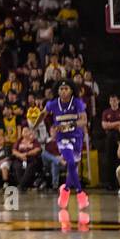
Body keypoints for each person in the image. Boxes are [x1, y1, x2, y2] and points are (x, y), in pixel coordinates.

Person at [46, 80, 88, 209]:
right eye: (61, 89)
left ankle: (65, 190)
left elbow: (84, 121)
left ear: (71, 90)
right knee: (69, 163)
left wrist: (71, 125)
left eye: (66, 88)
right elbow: (43, 114)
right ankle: (81, 193)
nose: (63, 91)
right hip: (62, 138)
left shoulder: (77, 103)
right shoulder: (53, 104)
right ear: (57, 91)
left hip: (76, 137)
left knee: (73, 167)